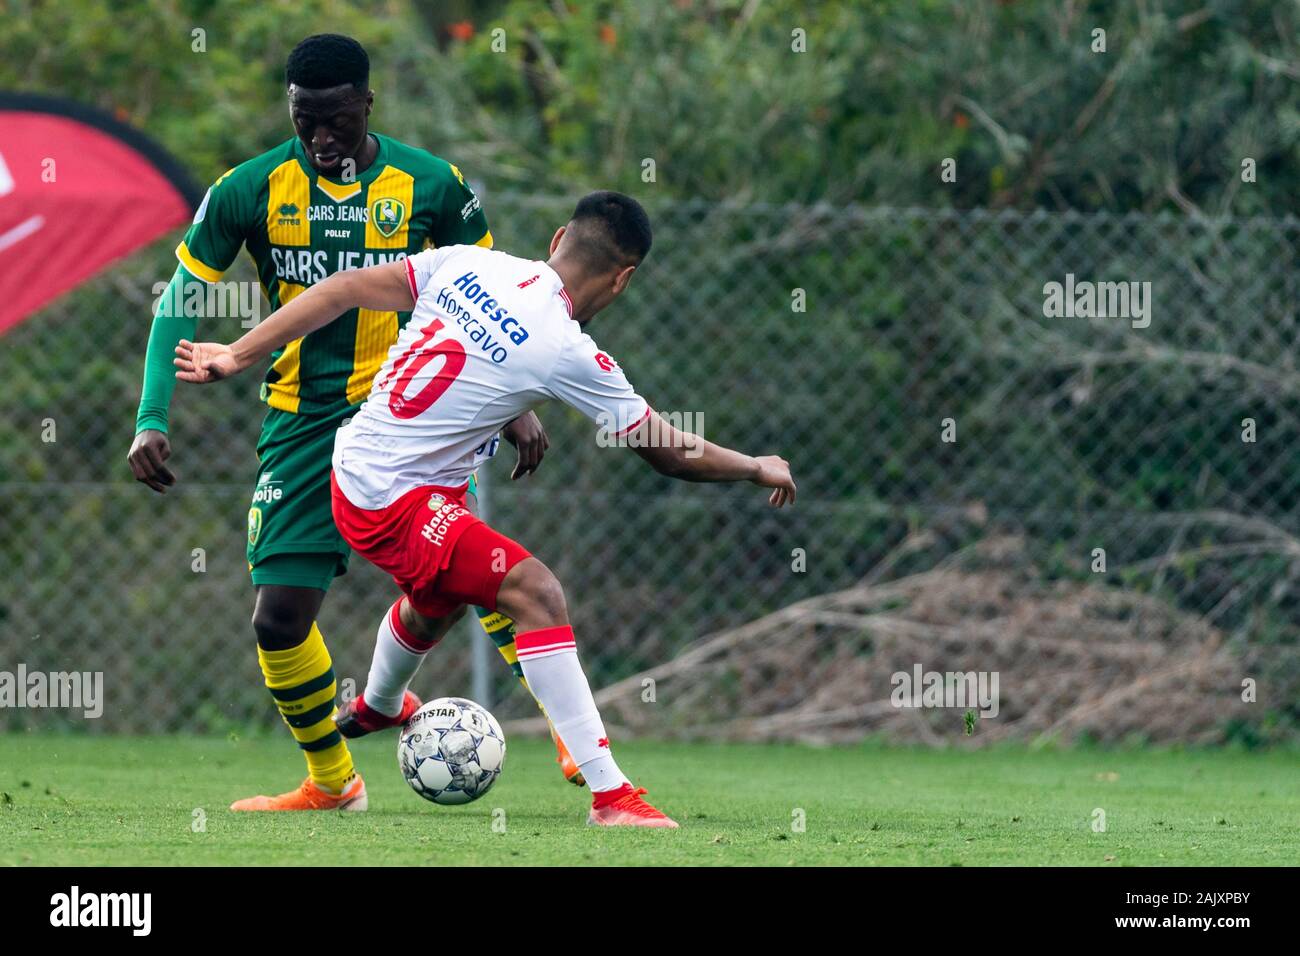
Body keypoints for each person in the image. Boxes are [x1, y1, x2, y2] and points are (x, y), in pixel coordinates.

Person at [174, 191, 797, 827]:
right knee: (537, 593)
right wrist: (754, 465)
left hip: (362, 465)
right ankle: (613, 798)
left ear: (557, 238)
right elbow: (665, 451)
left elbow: (344, 287)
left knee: (438, 597)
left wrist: (236, 352)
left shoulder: (470, 264)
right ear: (623, 279)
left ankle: (382, 702)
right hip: (392, 495)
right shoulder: (566, 348)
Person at [128, 33, 576, 814]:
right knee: (278, 617)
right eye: (305, 122)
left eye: (335, 121)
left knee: (474, 579)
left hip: (411, 422)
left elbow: (504, 305)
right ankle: (333, 784)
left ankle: (572, 737)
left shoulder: (433, 185)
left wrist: (519, 411)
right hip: (299, 422)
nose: (320, 138)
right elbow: (178, 301)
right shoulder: (250, 187)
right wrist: (152, 414)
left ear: (367, 104)